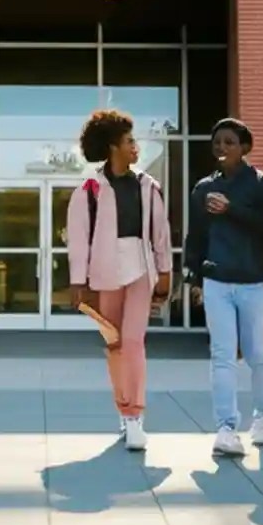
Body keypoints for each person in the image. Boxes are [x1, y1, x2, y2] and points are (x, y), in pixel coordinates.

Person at [185, 118, 263, 457]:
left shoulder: (261, 185)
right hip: (216, 281)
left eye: (229, 142)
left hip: (252, 283)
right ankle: (226, 428)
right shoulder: (203, 189)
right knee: (222, 356)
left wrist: (232, 210)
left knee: (257, 355)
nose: (222, 148)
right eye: (217, 142)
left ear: (245, 147)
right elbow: (196, 238)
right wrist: (193, 278)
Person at [67, 109, 173, 451]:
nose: (135, 147)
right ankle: (124, 410)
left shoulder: (147, 186)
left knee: (133, 342)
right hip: (104, 274)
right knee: (115, 345)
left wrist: (165, 273)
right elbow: (79, 239)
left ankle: (135, 417)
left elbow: (161, 234)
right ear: (113, 146)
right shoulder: (89, 190)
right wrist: (77, 282)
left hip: (141, 271)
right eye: (129, 141)